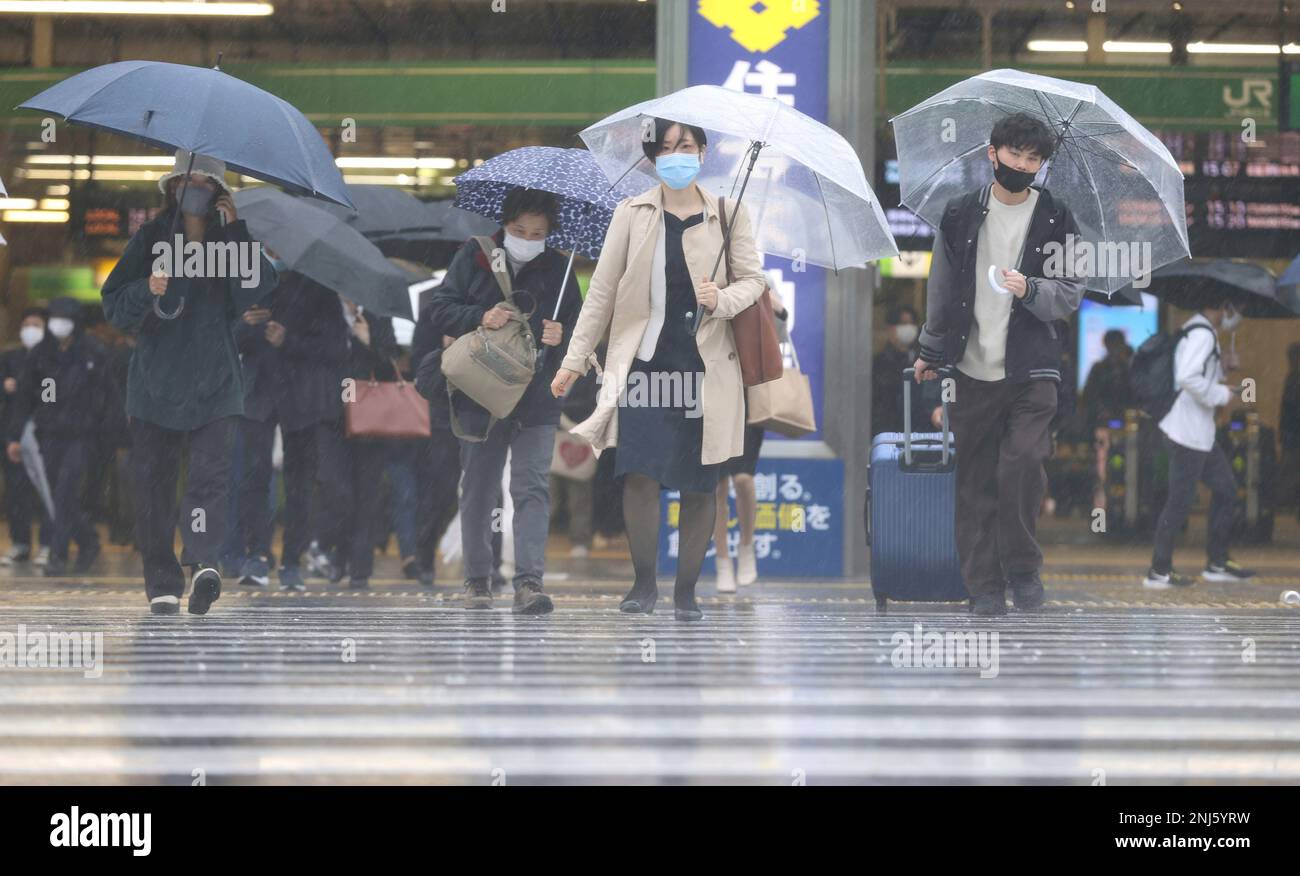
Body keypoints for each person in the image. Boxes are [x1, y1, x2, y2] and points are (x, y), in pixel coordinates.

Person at [551, 118, 767, 621]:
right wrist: (574, 361)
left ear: (703, 153)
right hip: (645, 367)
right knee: (639, 474)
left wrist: (722, 298)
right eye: (666, 147)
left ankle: (687, 591)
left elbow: (754, 281)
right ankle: (644, 583)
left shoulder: (729, 215)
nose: (676, 155)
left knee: (699, 481)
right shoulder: (632, 213)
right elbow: (601, 293)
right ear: (652, 158)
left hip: (705, 367)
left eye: (685, 146)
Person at [914, 112, 1085, 616]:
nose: (1024, 165)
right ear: (993, 154)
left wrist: (1031, 289)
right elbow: (941, 287)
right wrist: (930, 348)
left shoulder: (1057, 217)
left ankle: (1023, 567)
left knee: (1023, 463)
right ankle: (984, 585)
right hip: (970, 369)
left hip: (1032, 369)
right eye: (1016, 155)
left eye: (1034, 159)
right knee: (974, 482)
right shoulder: (961, 213)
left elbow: (1070, 292)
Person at [101, 149, 276, 615]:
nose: (192, 189)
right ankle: (161, 582)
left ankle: (203, 562)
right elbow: (114, 305)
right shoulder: (151, 238)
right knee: (153, 486)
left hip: (216, 384)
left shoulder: (230, 241)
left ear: (219, 194)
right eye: (185, 182)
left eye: (203, 182)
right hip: (155, 386)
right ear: (171, 191)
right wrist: (147, 289)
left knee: (209, 480)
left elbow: (258, 289)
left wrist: (237, 229)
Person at [428, 187, 581, 614]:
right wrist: (479, 316)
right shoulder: (476, 255)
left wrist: (562, 334)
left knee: (531, 486)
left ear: (550, 232)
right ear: (504, 226)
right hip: (481, 393)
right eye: (519, 230)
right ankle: (478, 580)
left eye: (538, 232)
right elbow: (440, 307)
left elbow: (581, 329)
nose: (528, 238)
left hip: (537, 397)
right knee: (479, 487)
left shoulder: (560, 268)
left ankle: (529, 582)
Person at [231, 266, 349, 592]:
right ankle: (256, 554)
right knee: (254, 476)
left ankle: (291, 561)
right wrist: (247, 325)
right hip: (259, 395)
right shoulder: (249, 279)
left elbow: (335, 347)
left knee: (300, 483)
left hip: (303, 398)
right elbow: (229, 337)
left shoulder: (318, 287)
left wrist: (289, 340)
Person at [1143, 297, 1256, 588]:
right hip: (1186, 433)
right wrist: (1223, 393)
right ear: (1225, 305)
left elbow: (1197, 373)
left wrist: (1224, 369)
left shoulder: (1199, 331)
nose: (1238, 317)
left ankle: (1217, 562)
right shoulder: (1203, 335)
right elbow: (1187, 377)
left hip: (1199, 433)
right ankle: (1159, 570)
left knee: (1227, 489)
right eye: (1239, 310)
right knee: (1180, 502)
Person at [5, 298, 107, 576]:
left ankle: (58, 555)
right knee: (57, 494)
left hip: (80, 435)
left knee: (65, 490)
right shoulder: (41, 354)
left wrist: (97, 427)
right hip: (48, 434)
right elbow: (25, 398)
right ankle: (87, 540)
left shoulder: (92, 352)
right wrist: (14, 436)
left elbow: (103, 395)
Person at [714, 283, 787, 592]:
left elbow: (780, 333)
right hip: (714, 387)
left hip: (749, 389)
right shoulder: (707, 269)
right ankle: (721, 562)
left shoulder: (758, 278)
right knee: (717, 482)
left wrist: (770, 302)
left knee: (743, 478)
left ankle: (746, 547)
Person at [0, 307, 51, 566]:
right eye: (27, 324)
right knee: (16, 492)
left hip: (44, 433)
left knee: (44, 489)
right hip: (14, 432)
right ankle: (20, 542)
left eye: (36, 324)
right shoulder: (10, 357)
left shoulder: (52, 357)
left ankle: (47, 543)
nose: (30, 329)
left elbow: (51, 394)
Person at [1081, 329, 1133, 510]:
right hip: (1112, 428)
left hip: (1112, 428)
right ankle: (1102, 519)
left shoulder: (1109, 369)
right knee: (1105, 474)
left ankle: (1106, 518)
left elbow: (1088, 399)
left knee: (1105, 474)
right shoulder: (1111, 369)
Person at [871, 304, 923, 435]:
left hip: (918, 432)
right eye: (904, 324)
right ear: (891, 329)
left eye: (911, 323)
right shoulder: (879, 363)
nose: (909, 328)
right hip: (888, 433)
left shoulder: (922, 360)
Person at [1279, 342, 1300, 520]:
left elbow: (1290, 410)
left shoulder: (1294, 378)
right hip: (1293, 437)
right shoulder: (1293, 377)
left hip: (1293, 438)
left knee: (1292, 475)